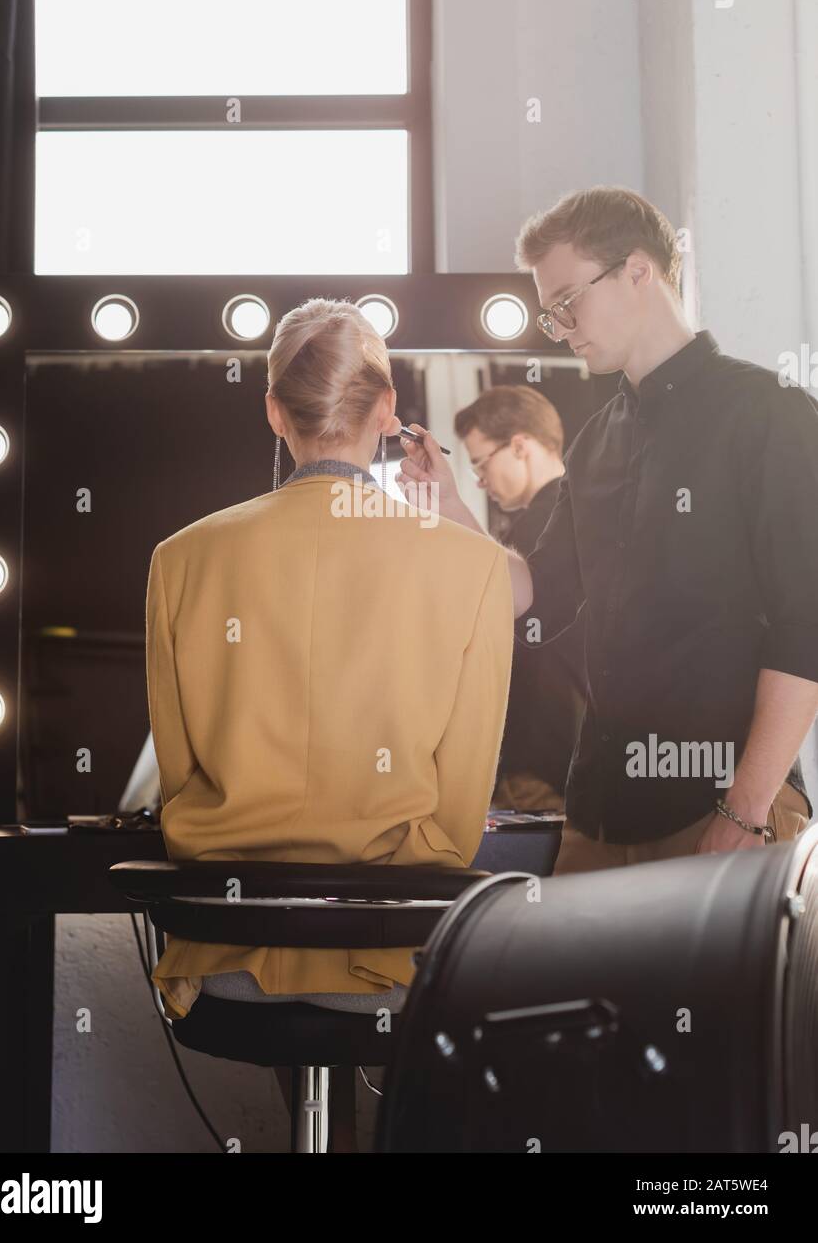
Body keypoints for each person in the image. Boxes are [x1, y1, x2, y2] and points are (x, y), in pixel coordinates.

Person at [398, 186, 817, 876]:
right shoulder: (595, 439)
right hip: (595, 810)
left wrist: (743, 810)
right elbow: (533, 593)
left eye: (567, 300)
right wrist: (445, 504)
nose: (558, 327)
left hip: (722, 810)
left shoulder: (768, 414)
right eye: (547, 311)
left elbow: (804, 630)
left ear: (637, 271)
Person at [145, 299, 514, 1020]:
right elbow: (463, 791)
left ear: (275, 414)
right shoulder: (472, 565)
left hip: (225, 943)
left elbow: (179, 767)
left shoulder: (181, 557)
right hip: (393, 942)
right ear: (386, 411)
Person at [454, 386, 586, 813]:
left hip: (542, 766)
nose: (479, 480)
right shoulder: (563, 518)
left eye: (480, 463)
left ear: (519, 445)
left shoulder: (548, 524)